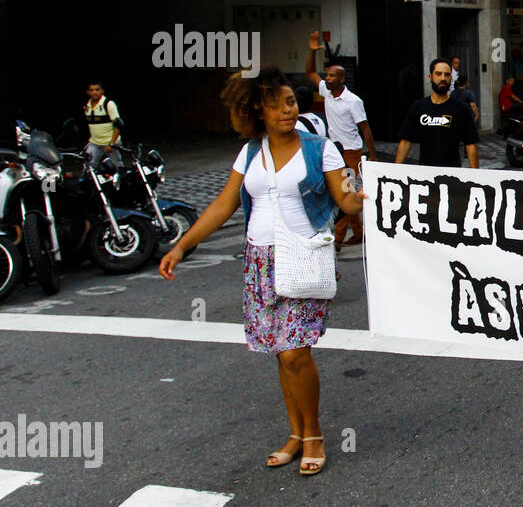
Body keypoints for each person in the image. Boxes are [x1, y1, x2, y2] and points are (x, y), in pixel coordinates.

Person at [160, 69, 364, 477]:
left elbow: (346, 196)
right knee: (280, 353)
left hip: (303, 257)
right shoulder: (251, 152)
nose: (287, 111)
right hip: (259, 262)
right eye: (276, 105)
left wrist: (361, 194)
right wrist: (182, 245)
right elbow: (223, 205)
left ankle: (314, 436)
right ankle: (294, 433)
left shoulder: (320, 148)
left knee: (294, 351)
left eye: (290, 102)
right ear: (258, 111)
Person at [305, 32, 375, 248]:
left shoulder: (353, 101)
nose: (328, 78)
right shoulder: (326, 92)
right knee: (346, 192)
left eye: (332, 76)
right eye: (327, 75)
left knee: (343, 194)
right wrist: (312, 51)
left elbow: (365, 128)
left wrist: (371, 155)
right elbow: (309, 72)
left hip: (351, 153)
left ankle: (337, 239)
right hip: (333, 151)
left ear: (342, 79)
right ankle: (360, 232)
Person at [394, 59, 480, 169]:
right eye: (438, 74)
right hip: (425, 176)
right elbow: (406, 141)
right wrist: (395, 171)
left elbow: (470, 144)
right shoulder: (418, 107)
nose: (443, 78)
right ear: (430, 76)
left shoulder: (461, 109)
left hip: (452, 176)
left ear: (451, 78)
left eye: (447, 75)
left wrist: (475, 177)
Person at [83, 82, 123, 169]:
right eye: (92, 90)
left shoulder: (109, 104)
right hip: (95, 143)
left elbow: (118, 125)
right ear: (88, 92)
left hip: (111, 142)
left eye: (97, 90)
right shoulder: (87, 106)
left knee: (117, 168)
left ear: (102, 91)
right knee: (89, 168)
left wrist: (111, 144)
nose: (94, 92)